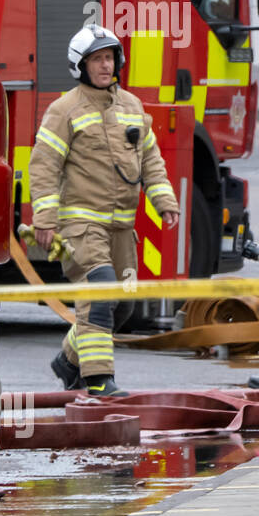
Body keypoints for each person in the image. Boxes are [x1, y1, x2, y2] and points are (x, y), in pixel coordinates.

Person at [30, 25, 179, 397]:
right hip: (82, 227)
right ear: (80, 66)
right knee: (99, 292)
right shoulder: (64, 110)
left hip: (121, 230)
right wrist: (45, 219)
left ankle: (68, 360)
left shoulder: (132, 107)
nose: (105, 65)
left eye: (109, 57)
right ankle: (98, 379)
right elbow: (44, 165)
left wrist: (164, 202)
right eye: (97, 59)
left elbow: (151, 161)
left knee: (122, 304)